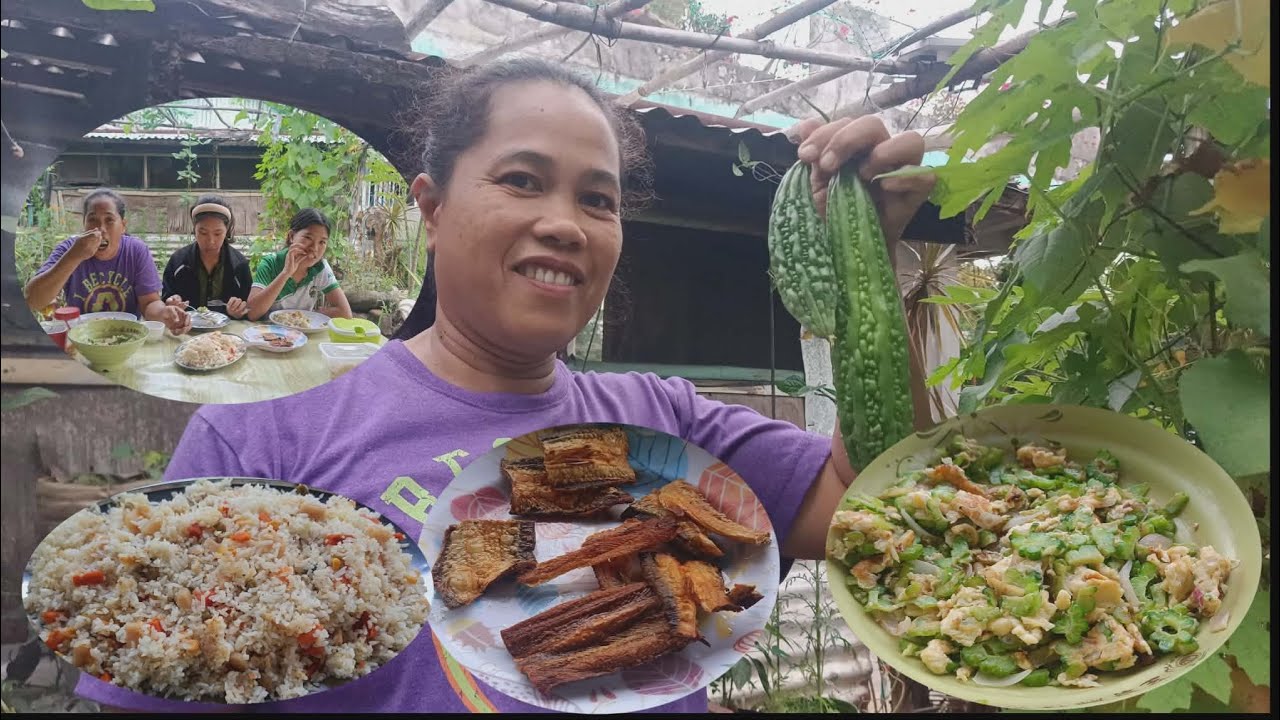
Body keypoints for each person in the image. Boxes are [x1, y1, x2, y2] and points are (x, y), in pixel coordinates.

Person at [77, 58, 934, 714]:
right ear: (433, 205)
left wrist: (868, 263)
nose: (564, 223)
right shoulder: (266, 431)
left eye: (598, 200)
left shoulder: (664, 422)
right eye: (521, 180)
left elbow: (879, 506)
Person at [24, 187, 190, 334]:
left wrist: (165, 314)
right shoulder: (69, 249)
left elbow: (149, 304)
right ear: (84, 224)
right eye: (92, 220)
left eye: (109, 220)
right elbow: (33, 300)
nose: (100, 229)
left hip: (127, 335)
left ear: (123, 226)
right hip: (81, 337)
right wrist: (74, 256)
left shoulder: (136, 250)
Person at [245, 208, 353, 320]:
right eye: (308, 238)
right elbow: (252, 313)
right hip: (269, 332)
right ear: (291, 236)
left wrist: (305, 317)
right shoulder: (270, 263)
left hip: (304, 334)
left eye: (322, 242)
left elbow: (345, 313)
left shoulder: (320, 268)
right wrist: (286, 273)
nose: (314, 248)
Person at [160, 194, 252, 318]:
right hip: (186, 328)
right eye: (203, 233)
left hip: (224, 333)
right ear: (194, 229)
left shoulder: (239, 265)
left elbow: (248, 307)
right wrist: (172, 303)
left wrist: (238, 311)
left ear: (227, 231)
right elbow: (165, 299)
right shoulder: (178, 261)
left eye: (218, 233)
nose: (211, 241)